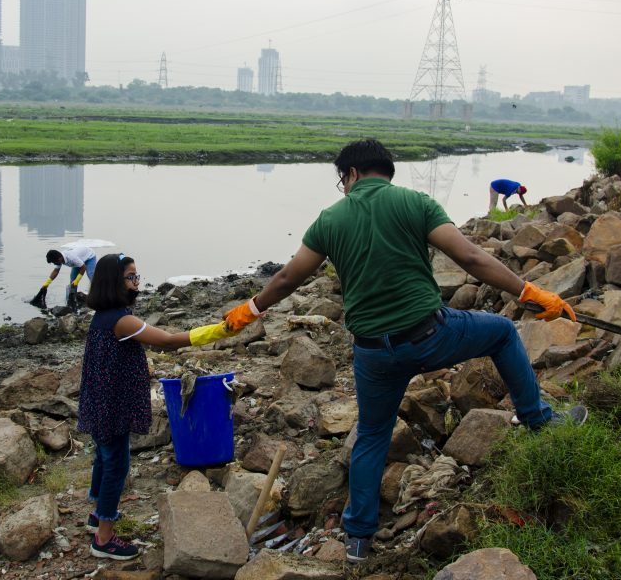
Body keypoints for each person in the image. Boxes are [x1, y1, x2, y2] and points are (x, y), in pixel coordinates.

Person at [223, 139, 584, 564]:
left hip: (374, 353)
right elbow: (469, 256)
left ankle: (357, 539)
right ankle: (539, 420)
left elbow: (287, 279)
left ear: (352, 173)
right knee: (503, 331)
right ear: (384, 170)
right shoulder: (415, 203)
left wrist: (248, 311)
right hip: (431, 336)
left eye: (342, 179)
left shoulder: (330, 219)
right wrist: (529, 292)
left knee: (373, 436)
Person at [79, 253, 236, 560]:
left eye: (137, 276)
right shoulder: (123, 320)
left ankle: (98, 514)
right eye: (131, 277)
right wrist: (220, 330)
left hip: (99, 401)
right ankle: (103, 538)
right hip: (112, 405)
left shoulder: (103, 316)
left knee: (104, 456)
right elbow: (166, 341)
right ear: (115, 282)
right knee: (116, 465)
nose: (137, 283)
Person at [31, 245, 99, 309]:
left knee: (91, 275)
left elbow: (83, 267)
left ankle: (98, 296)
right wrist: (47, 283)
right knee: (72, 281)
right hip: (79, 261)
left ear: (59, 258)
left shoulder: (71, 257)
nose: (54, 264)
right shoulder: (59, 259)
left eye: (54, 262)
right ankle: (71, 302)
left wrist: (77, 280)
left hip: (89, 257)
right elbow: (56, 271)